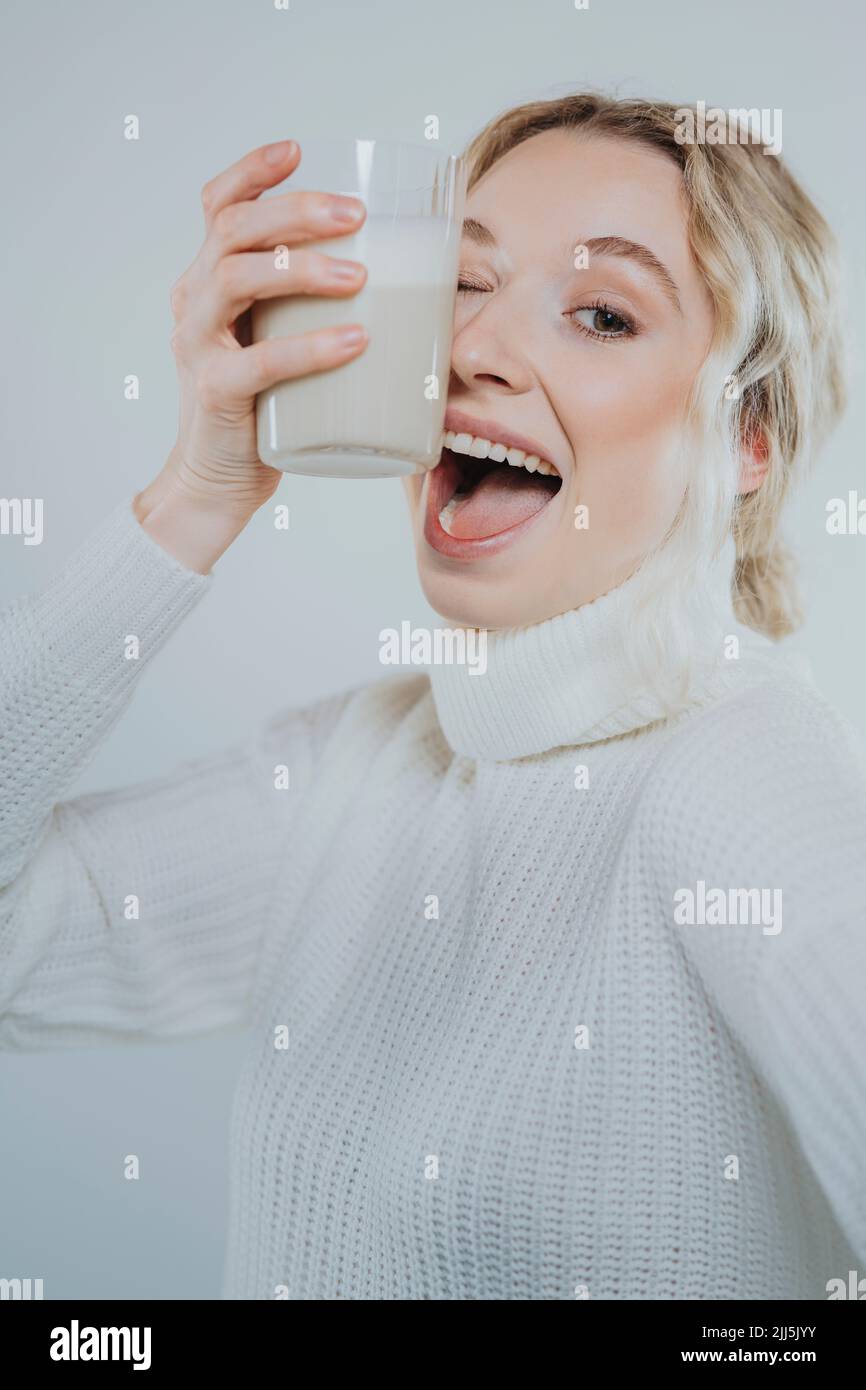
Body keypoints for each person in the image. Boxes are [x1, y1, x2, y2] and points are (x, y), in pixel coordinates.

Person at [2, 93, 865, 1301]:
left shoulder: (735, 769)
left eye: (601, 313)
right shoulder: (363, 766)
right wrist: (197, 492)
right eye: (459, 285)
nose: (470, 351)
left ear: (746, 436)